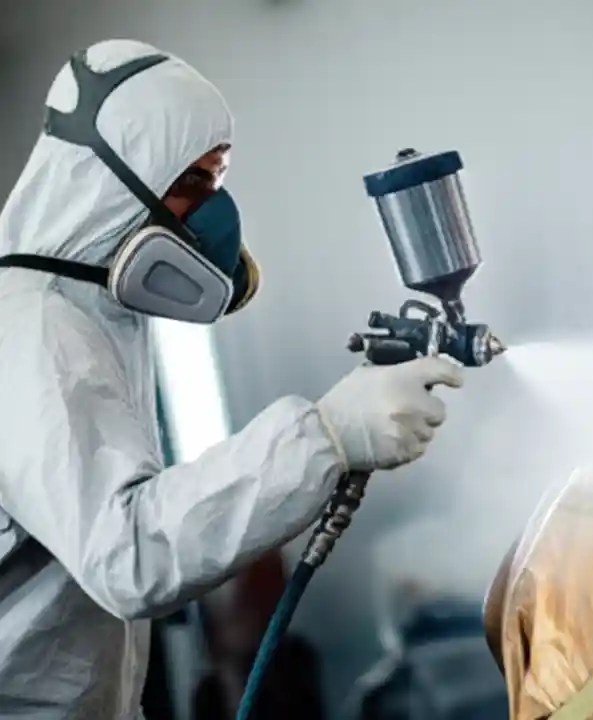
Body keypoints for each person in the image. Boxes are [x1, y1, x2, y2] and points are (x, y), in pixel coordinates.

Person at [0, 39, 464, 718]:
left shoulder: (86, 314)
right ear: (109, 189)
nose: (215, 216)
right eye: (194, 183)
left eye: (219, 180)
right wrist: (328, 435)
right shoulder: (32, 331)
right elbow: (129, 554)